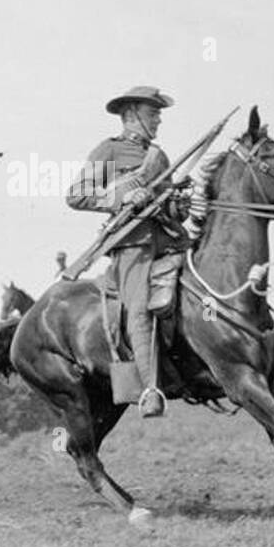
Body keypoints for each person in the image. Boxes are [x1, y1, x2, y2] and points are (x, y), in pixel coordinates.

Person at [65, 85, 189, 417]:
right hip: (133, 245)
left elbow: (169, 206)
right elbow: (77, 195)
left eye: (159, 115)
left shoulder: (158, 156)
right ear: (130, 115)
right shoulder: (109, 150)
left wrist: (180, 206)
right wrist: (121, 196)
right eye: (153, 114)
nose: (159, 120)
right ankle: (149, 390)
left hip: (169, 240)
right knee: (139, 310)